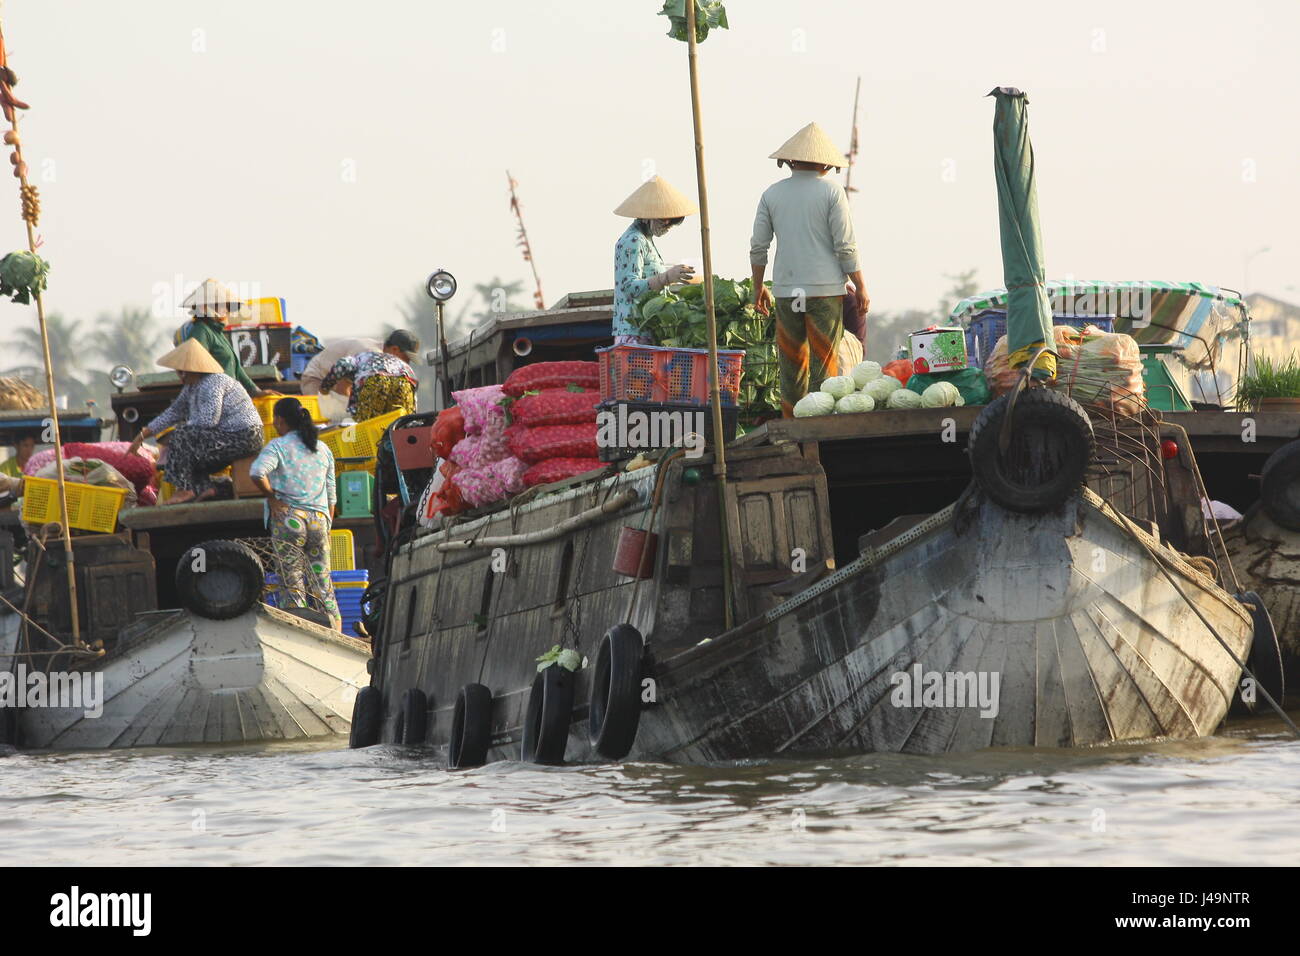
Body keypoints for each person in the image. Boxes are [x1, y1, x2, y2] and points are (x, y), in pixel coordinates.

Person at [749, 122, 870, 417]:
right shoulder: (831, 192)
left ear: (790, 161)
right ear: (826, 164)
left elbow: (758, 247)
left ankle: (792, 429)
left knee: (791, 368)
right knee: (824, 369)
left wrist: (758, 287)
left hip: (788, 292)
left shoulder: (772, 194)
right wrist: (861, 285)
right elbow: (846, 246)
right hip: (825, 291)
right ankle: (820, 430)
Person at [127, 339, 264, 505]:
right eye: (179, 372)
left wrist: (176, 433)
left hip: (244, 436)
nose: (180, 376)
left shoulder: (214, 383)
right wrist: (142, 435)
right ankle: (205, 487)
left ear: (194, 369)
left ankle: (185, 488)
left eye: (183, 372)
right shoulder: (191, 387)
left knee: (183, 435)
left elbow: (208, 420)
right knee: (184, 438)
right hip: (225, 436)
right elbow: (173, 412)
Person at [249, 397, 340, 630]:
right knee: (323, 581)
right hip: (319, 521)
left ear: (279, 420)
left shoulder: (278, 446)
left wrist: (272, 498)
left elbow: (257, 473)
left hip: (289, 519)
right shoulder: (323, 449)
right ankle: (336, 630)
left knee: (292, 580)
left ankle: (297, 632)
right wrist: (327, 521)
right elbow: (332, 494)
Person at [612, 175, 698, 345]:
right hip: (634, 333)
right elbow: (629, 287)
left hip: (646, 331)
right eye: (664, 220)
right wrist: (666, 278)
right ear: (648, 215)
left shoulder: (646, 239)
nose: (667, 227)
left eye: (671, 223)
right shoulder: (633, 240)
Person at [177, 278, 278, 398]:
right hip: (213, 398)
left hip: (227, 397)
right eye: (222, 305)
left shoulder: (217, 333)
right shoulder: (201, 331)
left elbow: (236, 368)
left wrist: (255, 390)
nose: (227, 310)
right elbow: (195, 366)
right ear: (206, 308)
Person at [318, 330, 421, 421]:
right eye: (407, 358)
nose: (408, 362)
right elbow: (413, 398)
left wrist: (325, 388)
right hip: (404, 383)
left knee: (363, 425)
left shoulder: (367, 357)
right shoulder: (407, 368)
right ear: (394, 349)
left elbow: (342, 365)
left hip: (374, 381)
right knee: (400, 424)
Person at [298, 336, 382, 395]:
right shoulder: (368, 353)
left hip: (335, 384)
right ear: (394, 349)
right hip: (316, 379)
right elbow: (343, 387)